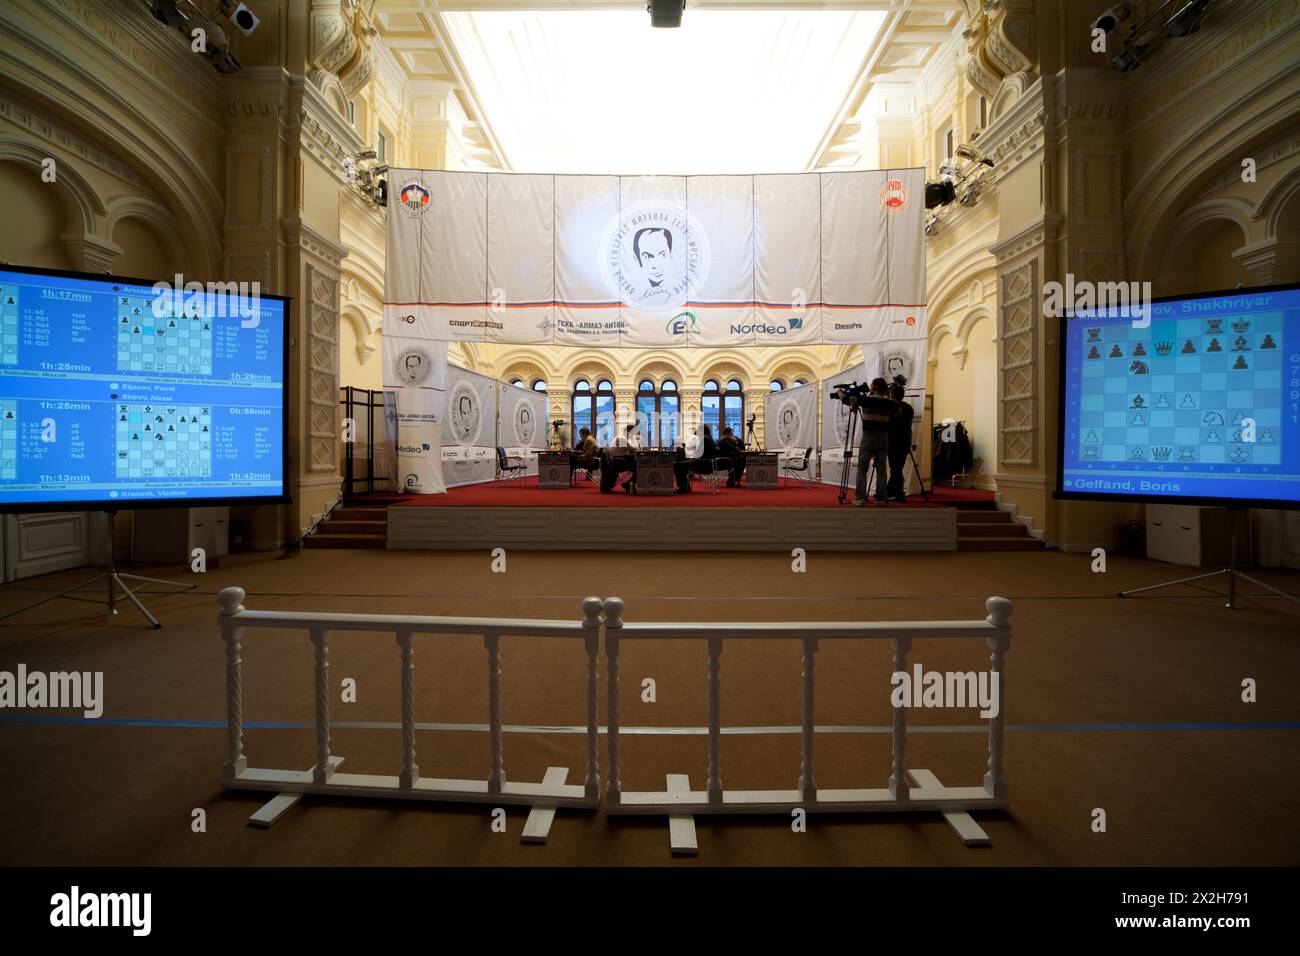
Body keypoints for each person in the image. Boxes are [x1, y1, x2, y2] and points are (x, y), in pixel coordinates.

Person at [854, 378, 894, 506]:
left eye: (871, 385)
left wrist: (841, 393)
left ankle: (860, 498)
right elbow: (898, 412)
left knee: (862, 469)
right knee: (882, 469)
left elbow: (849, 400)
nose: (870, 387)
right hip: (883, 437)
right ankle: (880, 498)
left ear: (875, 387)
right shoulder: (890, 403)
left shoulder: (866, 400)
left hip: (869, 437)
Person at [886, 382, 914, 503]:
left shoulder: (891, 407)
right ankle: (890, 492)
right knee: (897, 468)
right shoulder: (909, 408)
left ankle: (899, 494)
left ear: (892, 394)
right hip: (905, 441)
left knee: (895, 469)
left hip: (893, 442)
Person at [674, 424, 716, 493]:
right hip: (708, 464)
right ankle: (685, 487)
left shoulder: (704, 439)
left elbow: (698, 455)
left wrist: (690, 458)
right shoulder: (709, 438)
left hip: (703, 464)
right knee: (682, 463)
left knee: (677, 465)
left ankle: (683, 488)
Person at [602, 423, 640, 493]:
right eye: (633, 433)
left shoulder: (622, 438)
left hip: (618, 459)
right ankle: (629, 483)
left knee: (638, 466)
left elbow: (632, 448)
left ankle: (629, 483)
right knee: (640, 467)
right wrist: (637, 441)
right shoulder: (621, 438)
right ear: (628, 431)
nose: (633, 435)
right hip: (618, 461)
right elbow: (633, 449)